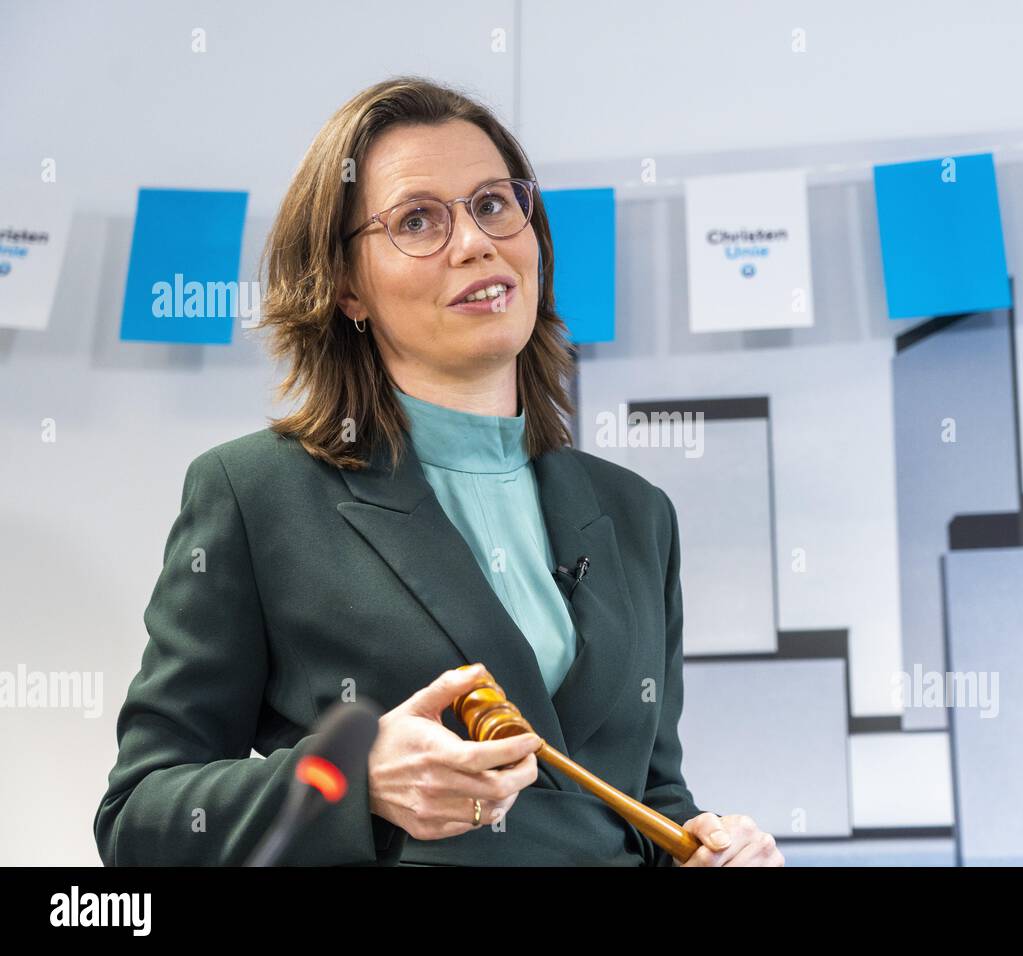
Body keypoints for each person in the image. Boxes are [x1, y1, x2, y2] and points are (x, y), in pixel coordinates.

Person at [93, 75, 782, 867]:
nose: (474, 241)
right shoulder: (254, 495)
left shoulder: (637, 513)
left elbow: (646, 799)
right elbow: (137, 817)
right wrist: (354, 781)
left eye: (493, 203)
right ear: (347, 286)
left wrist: (708, 848)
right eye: (418, 219)